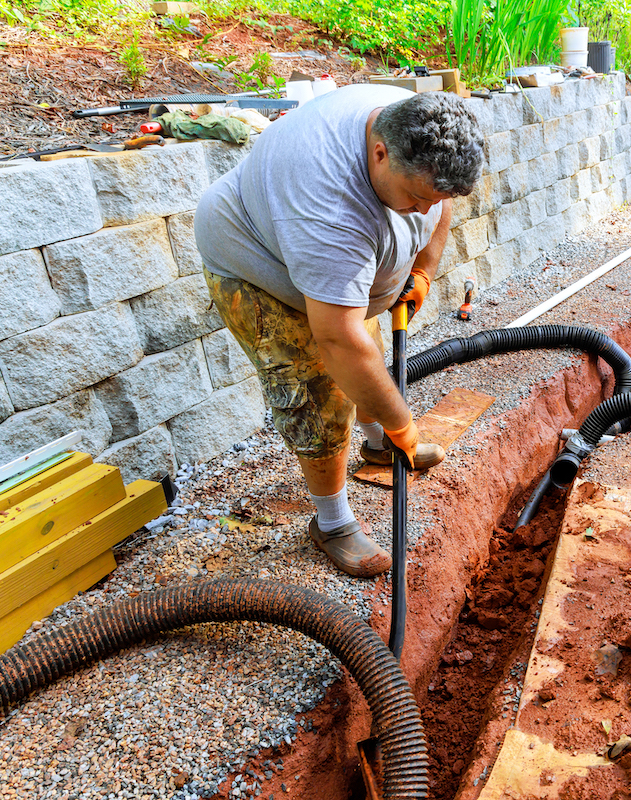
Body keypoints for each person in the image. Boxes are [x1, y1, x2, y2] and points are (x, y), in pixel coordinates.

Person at [194, 86, 485, 578]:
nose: (426, 209)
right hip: (260, 268)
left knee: (365, 359)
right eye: (417, 197)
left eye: (434, 197)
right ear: (380, 154)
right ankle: (332, 522)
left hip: (328, 264)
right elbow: (339, 341)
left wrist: (423, 270)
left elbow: (440, 204)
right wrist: (403, 422)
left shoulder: (417, 132)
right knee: (318, 392)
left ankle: (377, 443)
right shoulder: (326, 205)